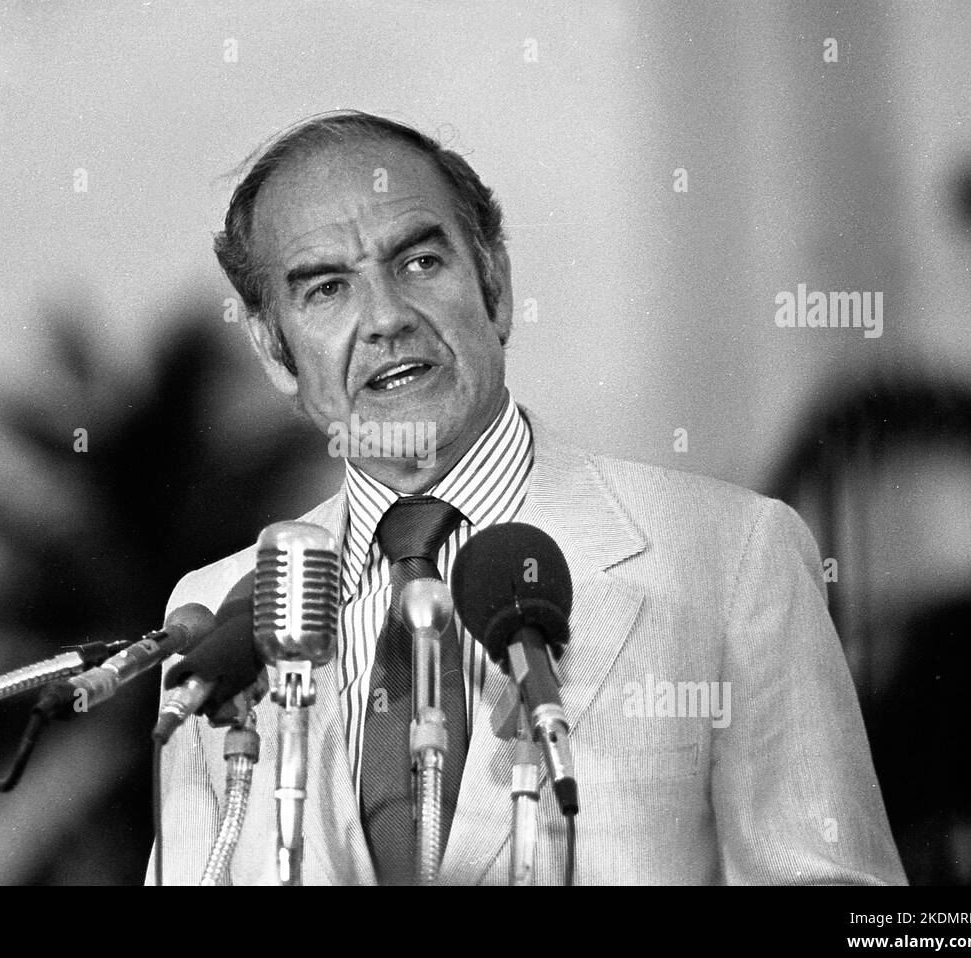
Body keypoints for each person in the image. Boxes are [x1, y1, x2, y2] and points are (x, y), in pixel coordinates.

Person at [146, 110, 906, 885]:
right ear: (275, 352)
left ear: (496, 286)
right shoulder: (220, 616)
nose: (386, 318)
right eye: (327, 289)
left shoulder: (729, 554)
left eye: (419, 263)